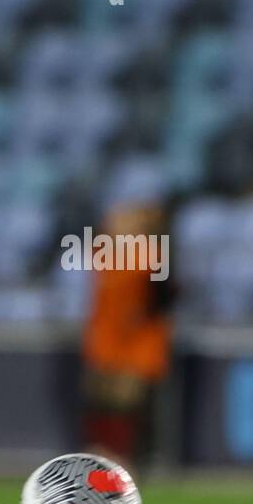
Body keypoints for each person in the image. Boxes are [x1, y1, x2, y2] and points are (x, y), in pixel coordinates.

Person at [81, 200, 176, 470]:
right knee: (99, 397)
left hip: (137, 341)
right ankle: (100, 453)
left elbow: (162, 295)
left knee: (127, 399)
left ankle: (126, 458)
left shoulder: (149, 255)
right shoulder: (106, 252)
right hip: (104, 338)